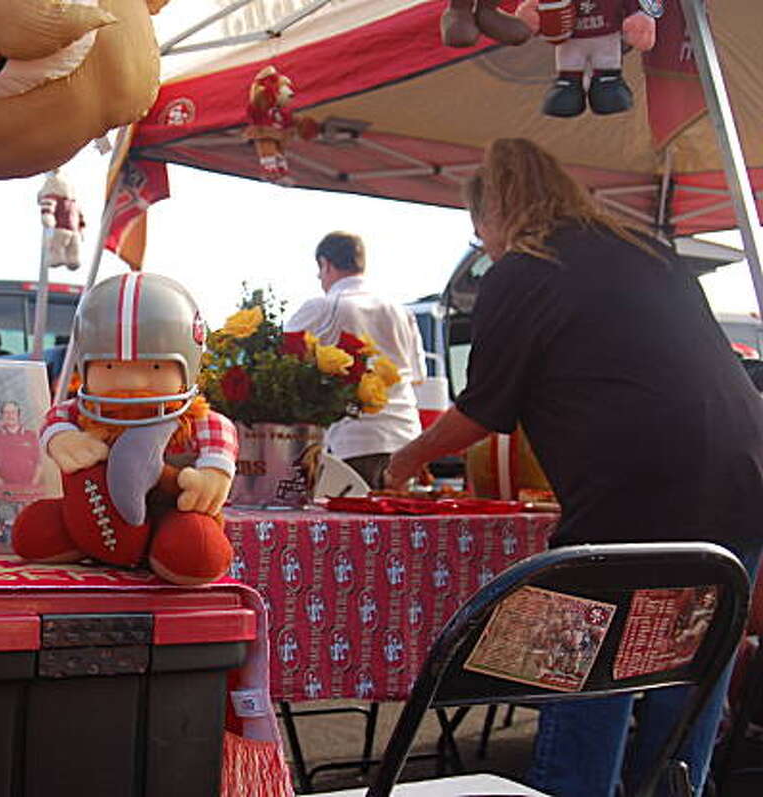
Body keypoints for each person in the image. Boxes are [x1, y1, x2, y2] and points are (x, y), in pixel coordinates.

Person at [383, 137, 763, 797]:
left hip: (630, 502)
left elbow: (483, 410)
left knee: (586, 677)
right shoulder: (650, 253)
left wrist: (408, 455)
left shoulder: (521, 269)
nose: (484, 246)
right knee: (688, 684)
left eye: (480, 233)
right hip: (745, 480)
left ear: (495, 213)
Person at [284, 231, 426, 489]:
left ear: (326, 264)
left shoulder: (325, 307)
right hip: (409, 441)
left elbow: (278, 360)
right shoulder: (401, 311)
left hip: (355, 444)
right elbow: (417, 378)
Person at [0, 401, 41, 486]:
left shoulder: (31, 436)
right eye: (6, 413)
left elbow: (39, 463)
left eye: (13, 412)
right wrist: (2, 486)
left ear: (18, 415)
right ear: (2, 416)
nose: (10, 416)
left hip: (28, 489)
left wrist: (33, 485)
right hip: (3, 490)